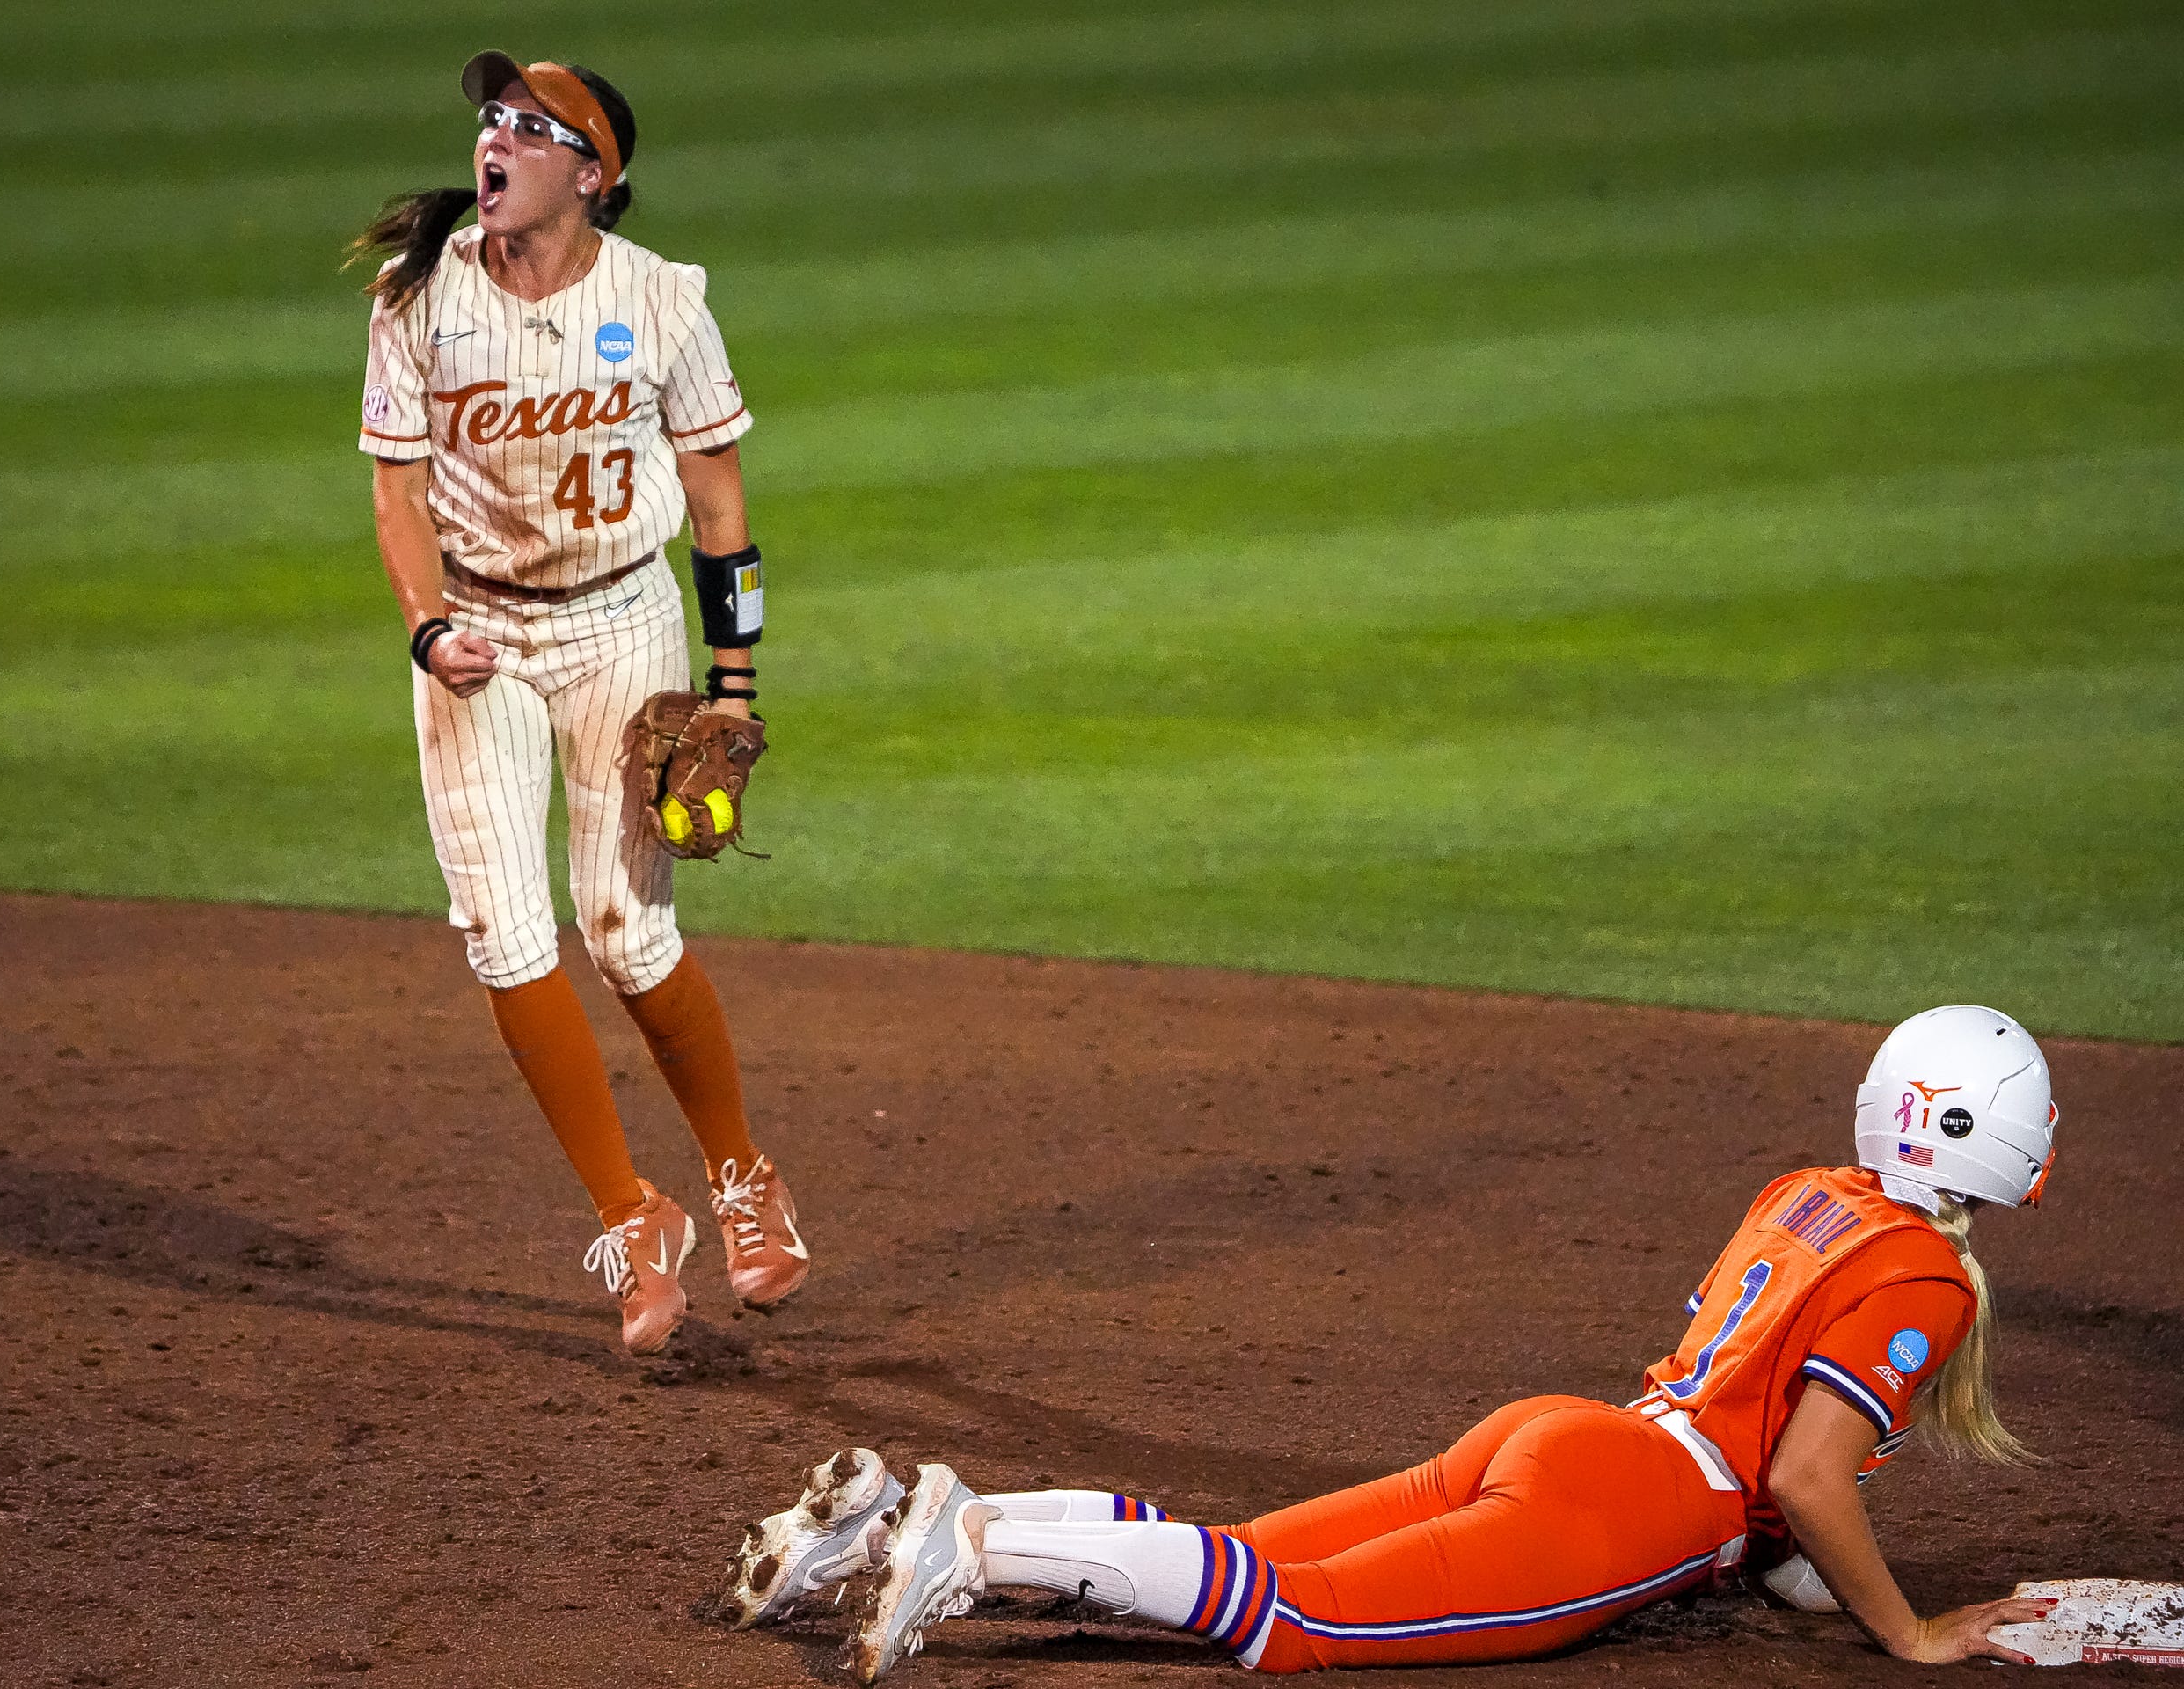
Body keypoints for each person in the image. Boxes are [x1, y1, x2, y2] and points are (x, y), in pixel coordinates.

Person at [722, 1005, 2063, 1678]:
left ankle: (885, 1522)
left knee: (1245, 1557)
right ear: (2000, 1142)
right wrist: (1912, 1633)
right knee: (1294, 1623)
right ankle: (973, 1539)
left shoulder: (1806, 1192)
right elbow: (1804, 1480)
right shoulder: (1928, 1280)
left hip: (1566, 1437)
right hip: (1631, 1507)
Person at [349, 51, 803, 1357]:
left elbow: (720, 507)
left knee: (628, 937)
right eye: (491, 120)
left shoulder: (661, 303)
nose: (494, 141)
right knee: (503, 935)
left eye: (530, 128)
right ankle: (631, 1213)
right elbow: (397, 496)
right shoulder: (416, 302)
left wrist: (734, 682)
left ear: (592, 177)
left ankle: (739, 1178)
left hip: (624, 621)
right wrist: (431, 631)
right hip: (478, 632)